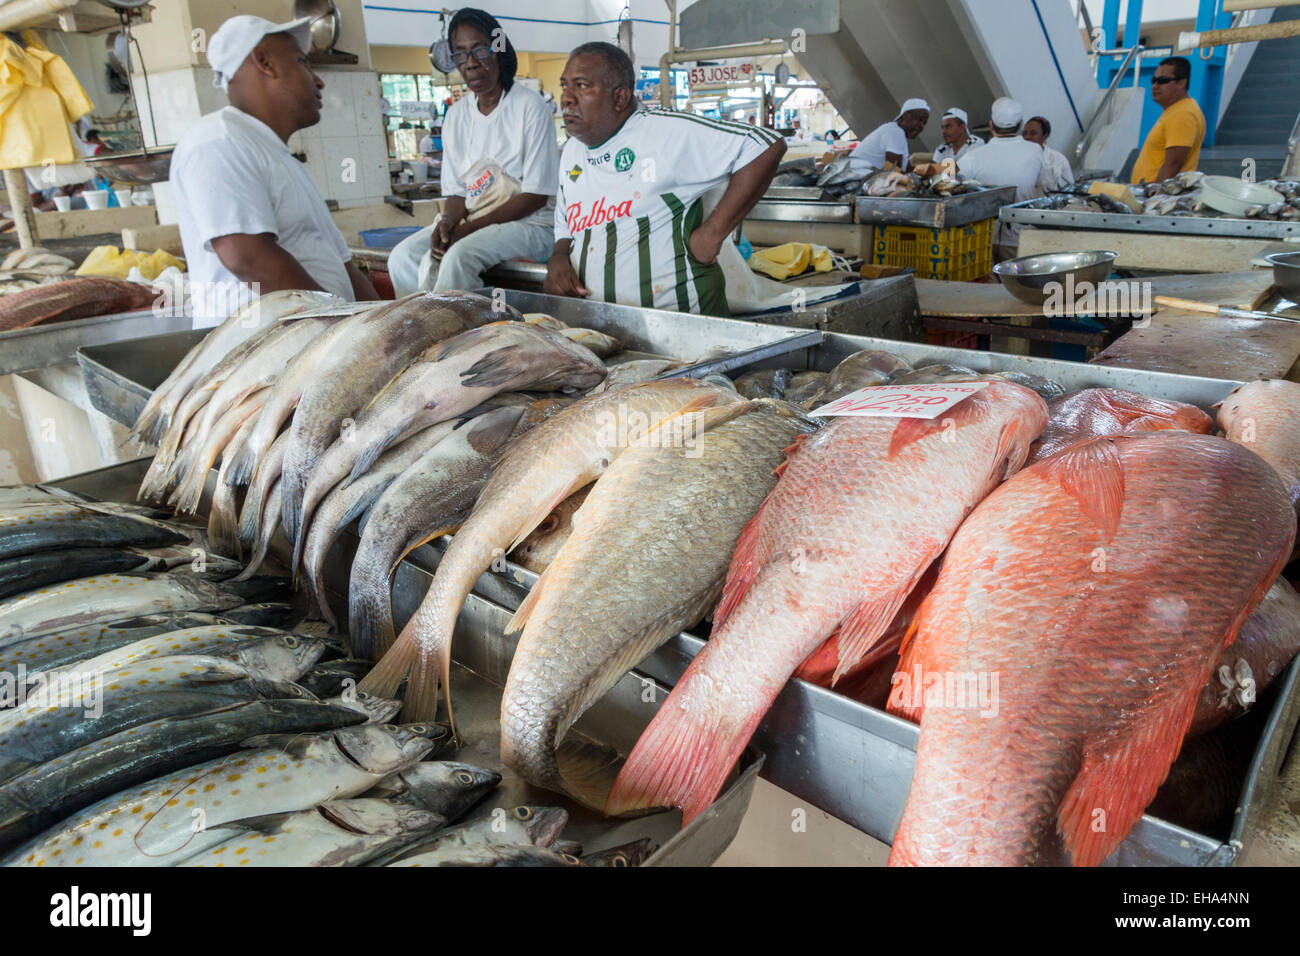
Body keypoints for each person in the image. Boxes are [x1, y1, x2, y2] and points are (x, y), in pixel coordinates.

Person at [543, 42, 784, 316]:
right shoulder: (573, 149)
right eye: (565, 86)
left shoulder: (664, 131)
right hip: (607, 322)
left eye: (582, 86)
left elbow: (764, 145)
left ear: (620, 98)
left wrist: (712, 235)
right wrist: (559, 256)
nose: (567, 99)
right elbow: (566, 221)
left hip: (684, 319)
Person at [170, 15, 377, 327]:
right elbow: (248, 258)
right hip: (260, 356)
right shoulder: (218, 140)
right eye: (303, 62)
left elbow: (343, 265)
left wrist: (384, 324)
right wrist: (340, 330)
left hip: (315, 344)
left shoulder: (280, 157)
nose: (318, 80)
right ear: (265, 62)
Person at [386, 8, 558, 297]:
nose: (471, 63)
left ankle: (458, 336)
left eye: (479, 50)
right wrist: (448, 223)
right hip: (475, 220)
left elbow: (536, 196)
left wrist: (467, 231)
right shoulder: (457, 116)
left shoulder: (530, 107)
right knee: (402, 257)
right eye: (460, 54)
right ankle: (419, 329)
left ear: (499, 48)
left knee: (458, 257)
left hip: (531, 225)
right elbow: (457, 192)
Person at [956, 97, 1044, 260]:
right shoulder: (1036, 151)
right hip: (1021, 241)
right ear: (1021, 125)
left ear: (991, 125)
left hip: (983, 241)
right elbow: (1038, 183)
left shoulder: (974, 156)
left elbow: (951, 181)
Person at [1130, 56, 1204, 185]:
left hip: (1156, 194)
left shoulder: (1183, 113)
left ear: (1182, 83)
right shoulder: (1174, 110)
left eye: (1162, 80)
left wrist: (1155, 198)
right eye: (1153, 81)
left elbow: (1174, 163)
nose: (1155, 86)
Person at [848, 98, 929, 173]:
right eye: (919, 119)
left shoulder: (894, 130)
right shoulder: (895, 132)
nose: (921, 125)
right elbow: (891, 168)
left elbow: (904, 167)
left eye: (924, 123)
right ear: (905, 116)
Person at [1023, 115, 1074, 192]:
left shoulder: (1058, 159)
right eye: (1025, 133)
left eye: (1033, 133)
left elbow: (1069, 190)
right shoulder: (1017, 158)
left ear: (1045, 136)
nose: (1027, 137)